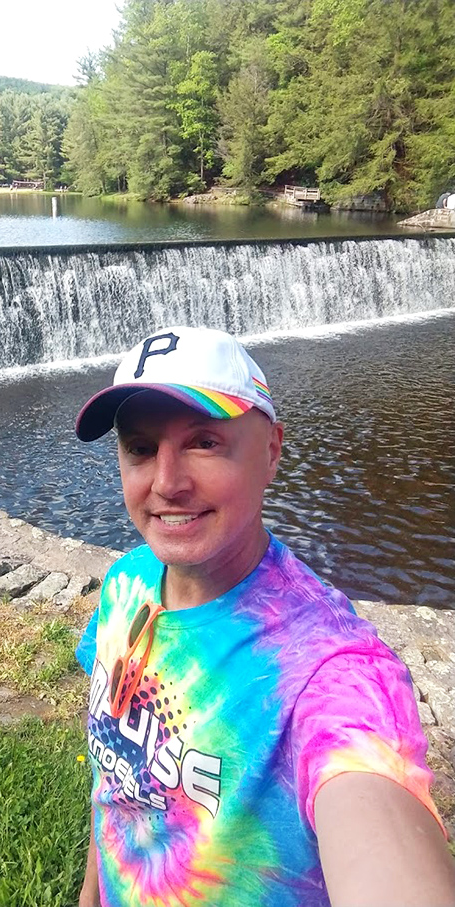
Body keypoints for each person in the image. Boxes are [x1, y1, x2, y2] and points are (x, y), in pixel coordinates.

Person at [73, 326, 455, 907]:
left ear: (272, 450)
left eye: (204, 442)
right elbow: (117, 795)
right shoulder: (126, 585)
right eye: (141, 448)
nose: (167, 483)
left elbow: (373, 812)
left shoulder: (326, 669)